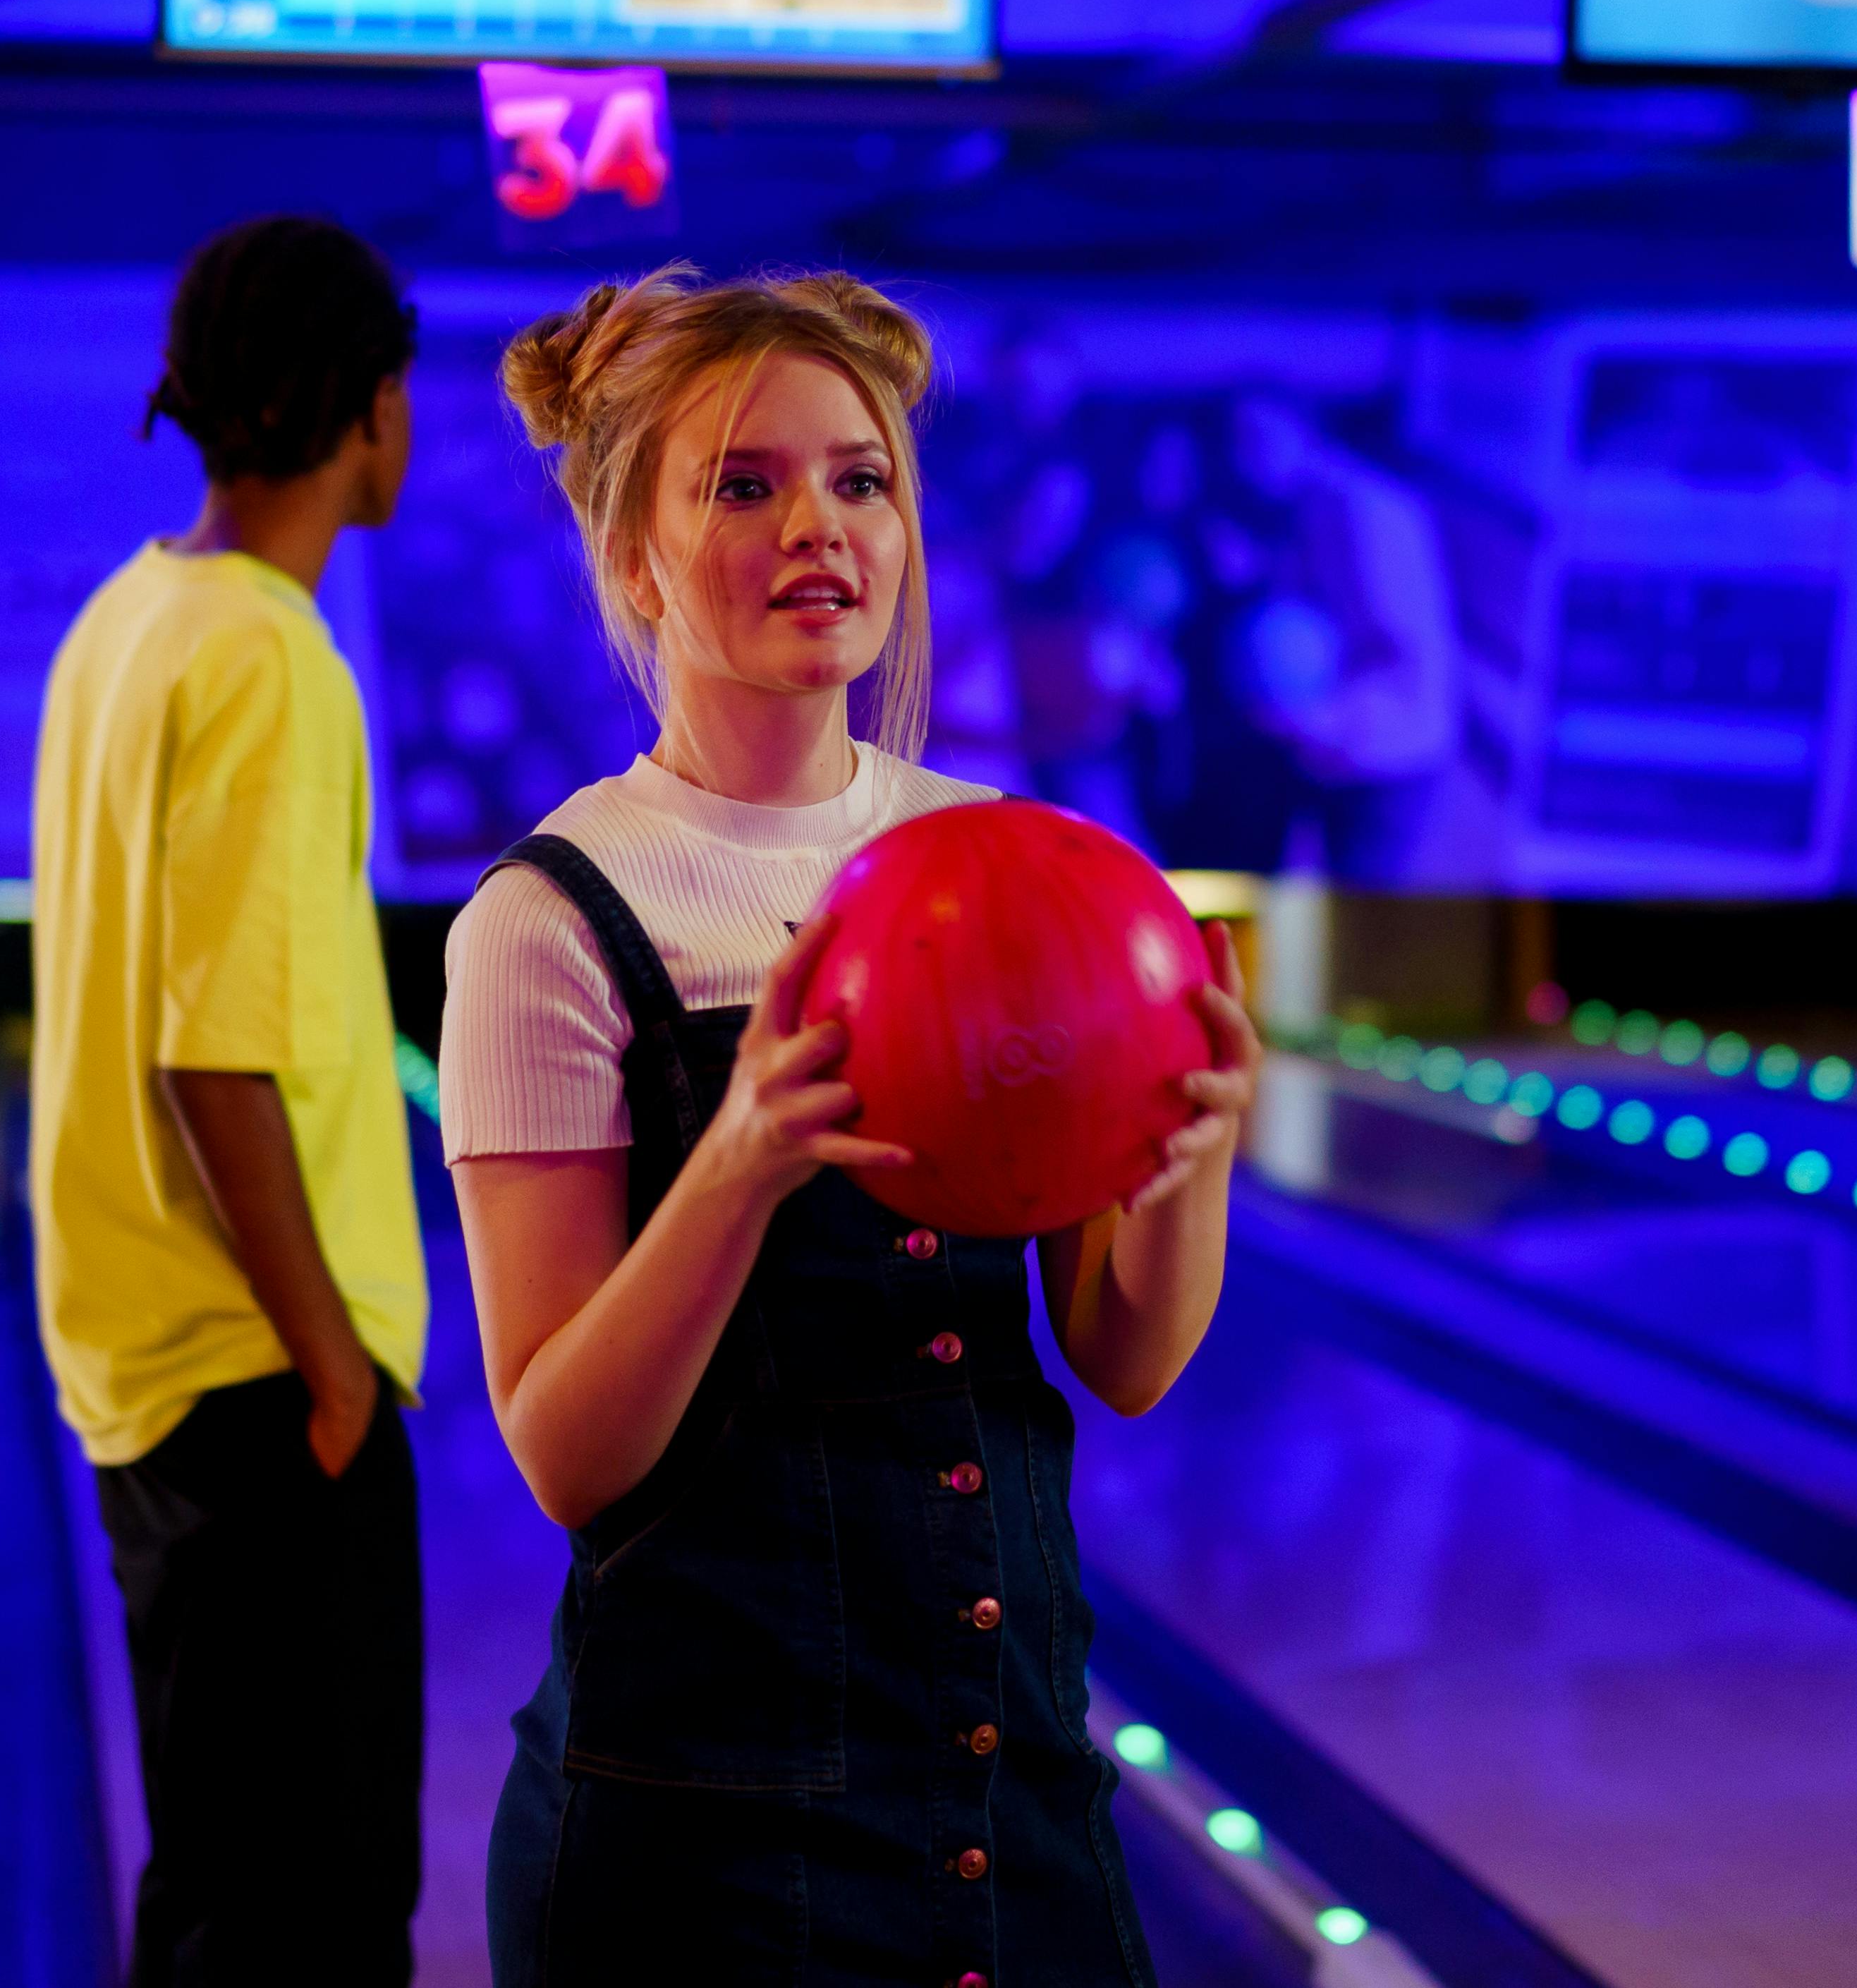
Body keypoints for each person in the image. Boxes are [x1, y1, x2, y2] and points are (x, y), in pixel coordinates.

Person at [434, 266, 1259, 1987]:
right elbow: (564, 1452)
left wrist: (1193, 1147)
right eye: (744, 482)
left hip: (1003, 1778)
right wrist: (737, 1158)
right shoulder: (553, 919)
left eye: (858, 478)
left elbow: (1118, 1353)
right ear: (636, 554)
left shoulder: (1010, 856)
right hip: (696, 1834)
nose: (817, 523)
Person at [28, 214, 430, 1987]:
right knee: (316, 1916)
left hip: (147, 1360)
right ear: (365, 411)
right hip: (262, 1378)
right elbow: (214, 1047)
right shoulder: (271, 658)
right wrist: (333, 1365)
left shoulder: (129, 618)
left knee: (222, 1887)